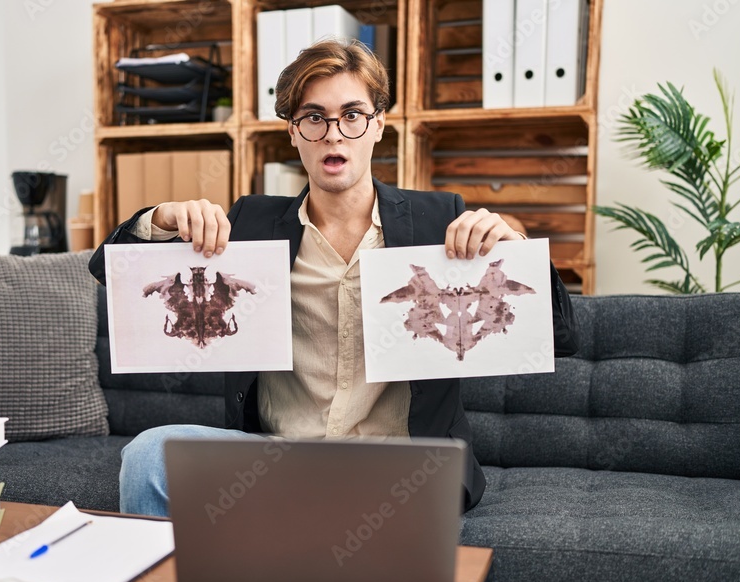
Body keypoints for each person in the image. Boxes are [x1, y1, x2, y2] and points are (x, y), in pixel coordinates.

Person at [89, 39, 579, 517]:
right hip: (278, 458)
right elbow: (108, 274)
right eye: (313, 117)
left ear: (378, 125)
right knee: (149, 455)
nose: (333, 132)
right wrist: (158, 219)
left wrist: (515, 249)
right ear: (293, 131)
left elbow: (559, 337)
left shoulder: (438, 222)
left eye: (352, 114)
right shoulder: (251, 225)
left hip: (401, 467)